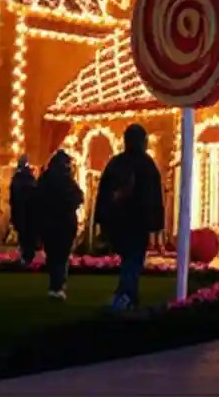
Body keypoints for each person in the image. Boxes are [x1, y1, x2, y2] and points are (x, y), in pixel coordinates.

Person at [95, 124, 164, 311]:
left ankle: (128, 294)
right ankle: (125, 295)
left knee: (129, 258)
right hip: (137, 222)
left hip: (118, 221)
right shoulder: (147, 165)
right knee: (134, 259)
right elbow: (154, 196)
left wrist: (101, 220)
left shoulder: (116, 163)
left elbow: (103, 194)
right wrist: (156, 223)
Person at [36, 150, 83, 300]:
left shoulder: (45, 179)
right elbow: (78, 197)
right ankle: (59, 285)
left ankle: (54, 285)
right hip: (65, 223)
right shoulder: (67, 180)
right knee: (62, 255)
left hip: (48, 222)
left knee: (53, 255)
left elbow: (37, 198)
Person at [9, 155, 38, 265]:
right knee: (27, 237)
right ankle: (27, 257)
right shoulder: (29, 179)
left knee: (25, 236)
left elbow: (13, 198)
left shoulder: (18, 180)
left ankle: (26, 258)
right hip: (27, 213)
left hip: (23, 213)